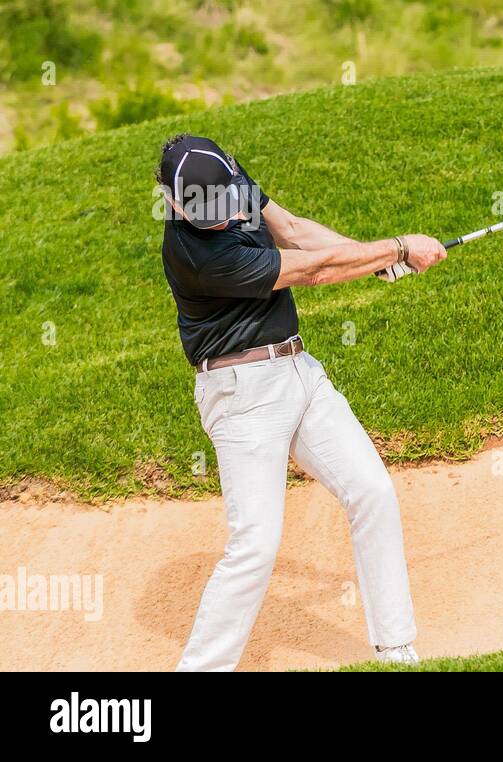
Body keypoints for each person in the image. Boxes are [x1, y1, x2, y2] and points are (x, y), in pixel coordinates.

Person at [155, 134, 444, 671]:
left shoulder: (222, 174)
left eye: (225, 205)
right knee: (256, 547)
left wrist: (373, 258)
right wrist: (397, 247)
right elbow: (311, 270)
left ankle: (396, 647)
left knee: (372, 491)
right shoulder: (196, 254)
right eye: (205, 213)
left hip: (299, 372)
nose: (222, 219)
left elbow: (292, 230)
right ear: (173, 202)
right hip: (241, 396)